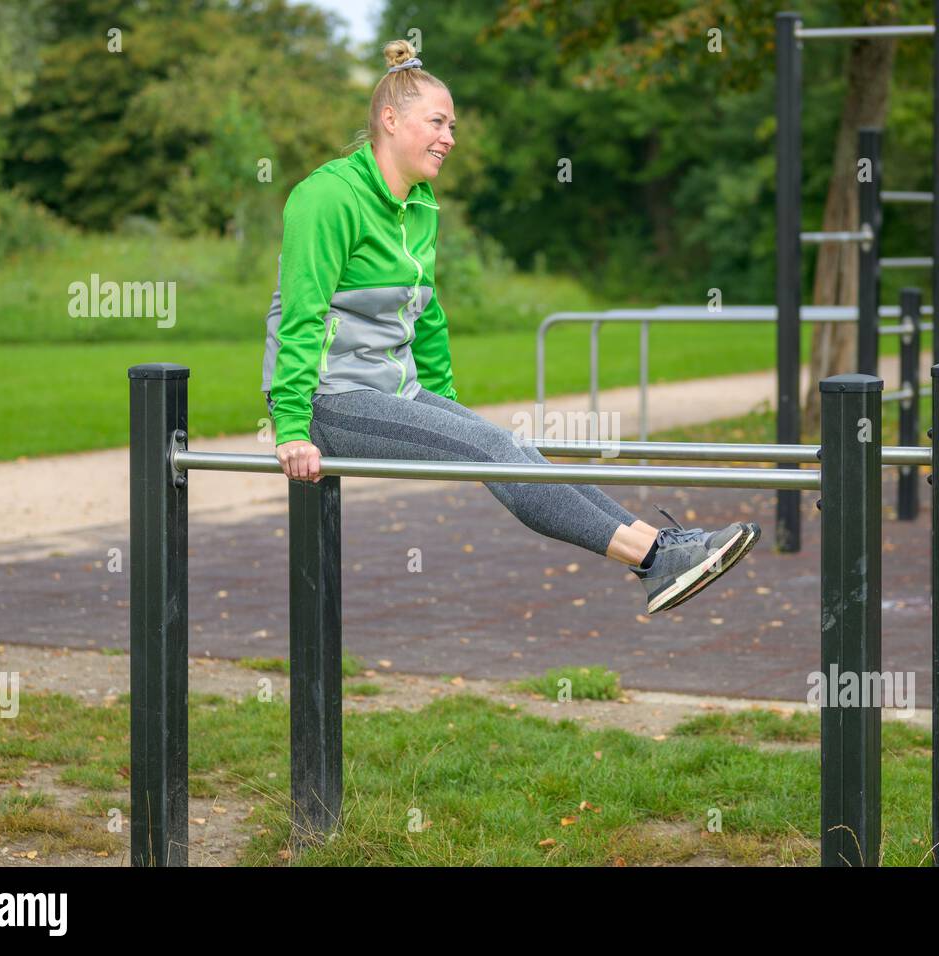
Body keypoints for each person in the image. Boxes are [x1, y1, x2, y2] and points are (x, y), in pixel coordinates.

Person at [261, 39, 759, 614]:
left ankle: (661, 550)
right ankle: (651, 557)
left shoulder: (419, 202)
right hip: (331, 399)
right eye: (438, 122)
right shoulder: (327, 198)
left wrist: (441, 406)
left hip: (392, 392)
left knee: (510, 446)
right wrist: (292, 426)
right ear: (390, 120)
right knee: (496, 447)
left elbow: (425, 312)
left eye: (453, 125)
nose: (450, 137)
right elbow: (301, 315)